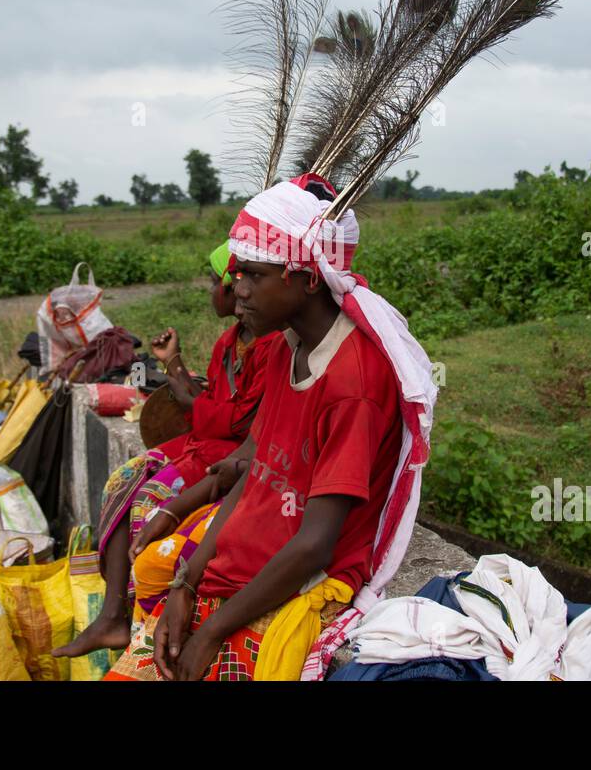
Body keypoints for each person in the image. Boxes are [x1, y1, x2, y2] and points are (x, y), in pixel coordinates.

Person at [104, 173, 438, 681]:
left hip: (292, 584)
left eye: (253, 275)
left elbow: (314, 545)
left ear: (307, 278)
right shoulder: (287, 348)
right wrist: (186, 585)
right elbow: (254, 476)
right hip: (237, 571)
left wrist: (211, 632)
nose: (236, 292)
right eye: (236, 275)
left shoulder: (353, 383)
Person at [54, 242, 278, 658]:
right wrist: (173, 364)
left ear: (235, 288)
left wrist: (191, 398)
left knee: (149, 504)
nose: (213, 291)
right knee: (122, 480)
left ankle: (144, 625)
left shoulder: (272, 348)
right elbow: (209, 407)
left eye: (215, 282)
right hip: (202, 443)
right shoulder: (228, 344)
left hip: (225, 452)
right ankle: (112, 615)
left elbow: (237, 423)